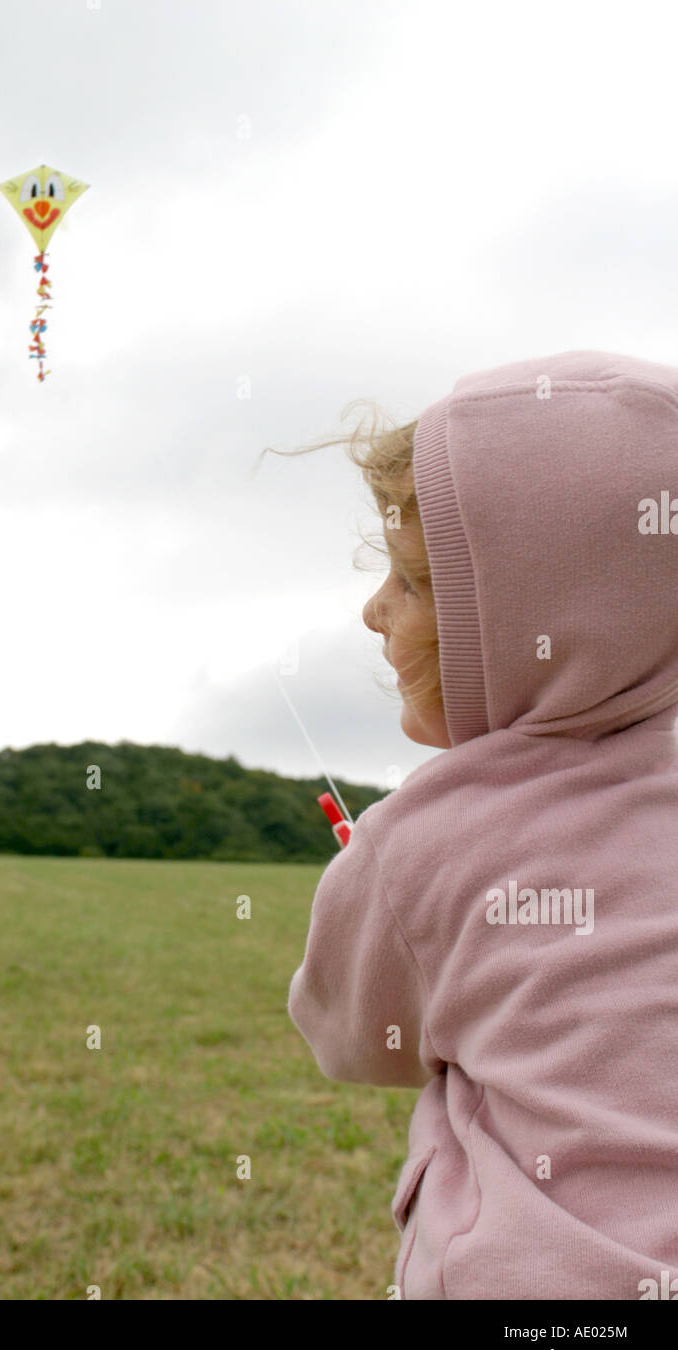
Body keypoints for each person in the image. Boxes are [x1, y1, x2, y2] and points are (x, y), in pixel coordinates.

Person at [287, 349, 678, 1299]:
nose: (374, 609)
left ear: (544, 617)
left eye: (414, 584)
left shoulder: (426, 840)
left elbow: (346, 1033)